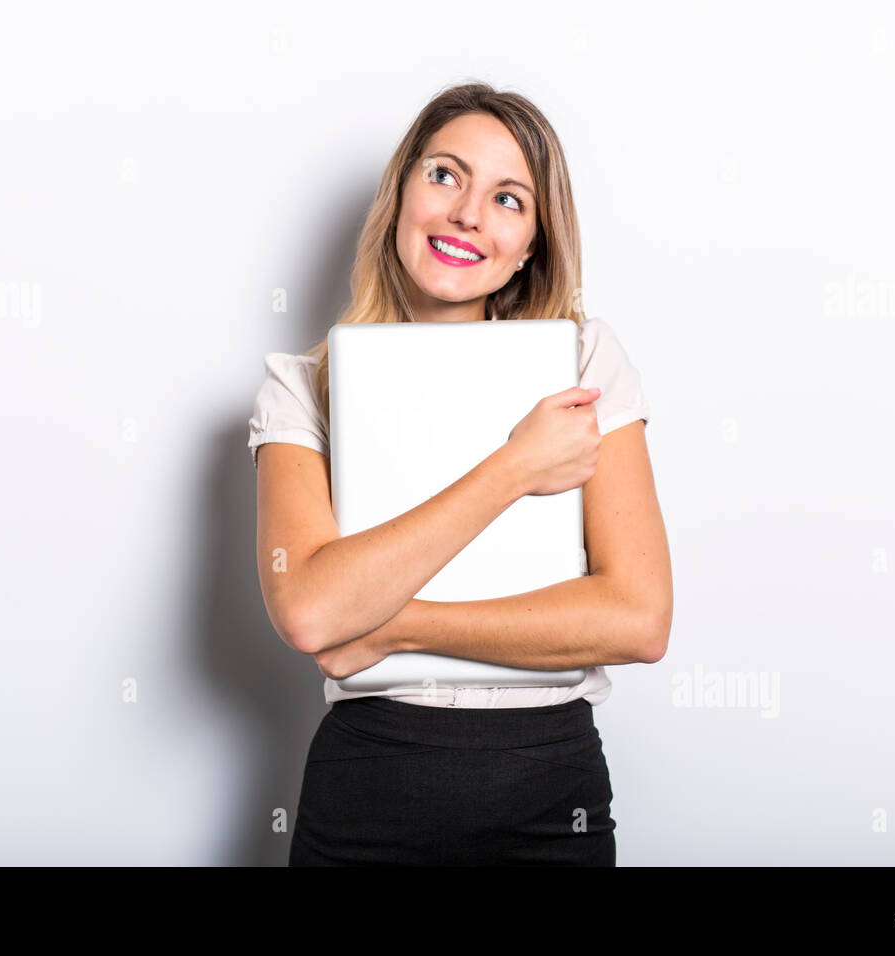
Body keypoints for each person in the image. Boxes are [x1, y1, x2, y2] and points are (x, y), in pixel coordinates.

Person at [248, 82, 673, 866]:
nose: (467, 213)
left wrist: (394, 625)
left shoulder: (584, 363)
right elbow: (311, 614)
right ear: (401, 193)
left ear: (533, 243)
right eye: (444, 175)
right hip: (367, 795)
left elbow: (637, 619)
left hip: (551, 795)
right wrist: (516, 466)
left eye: (508, 199)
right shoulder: (302, 385)